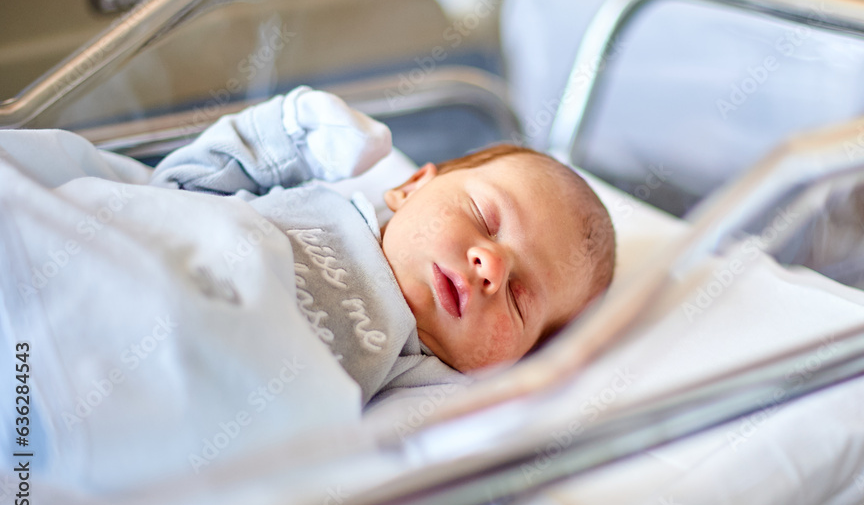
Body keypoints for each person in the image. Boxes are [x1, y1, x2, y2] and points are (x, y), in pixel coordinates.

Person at [150, 85, 616, 399]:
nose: (491, 265)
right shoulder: (315, 202)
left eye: (519, 298)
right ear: (412, 186)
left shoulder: (419, 380)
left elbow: (413, 468)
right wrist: (291, 133)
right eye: (485, 219)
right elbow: (176, 191)